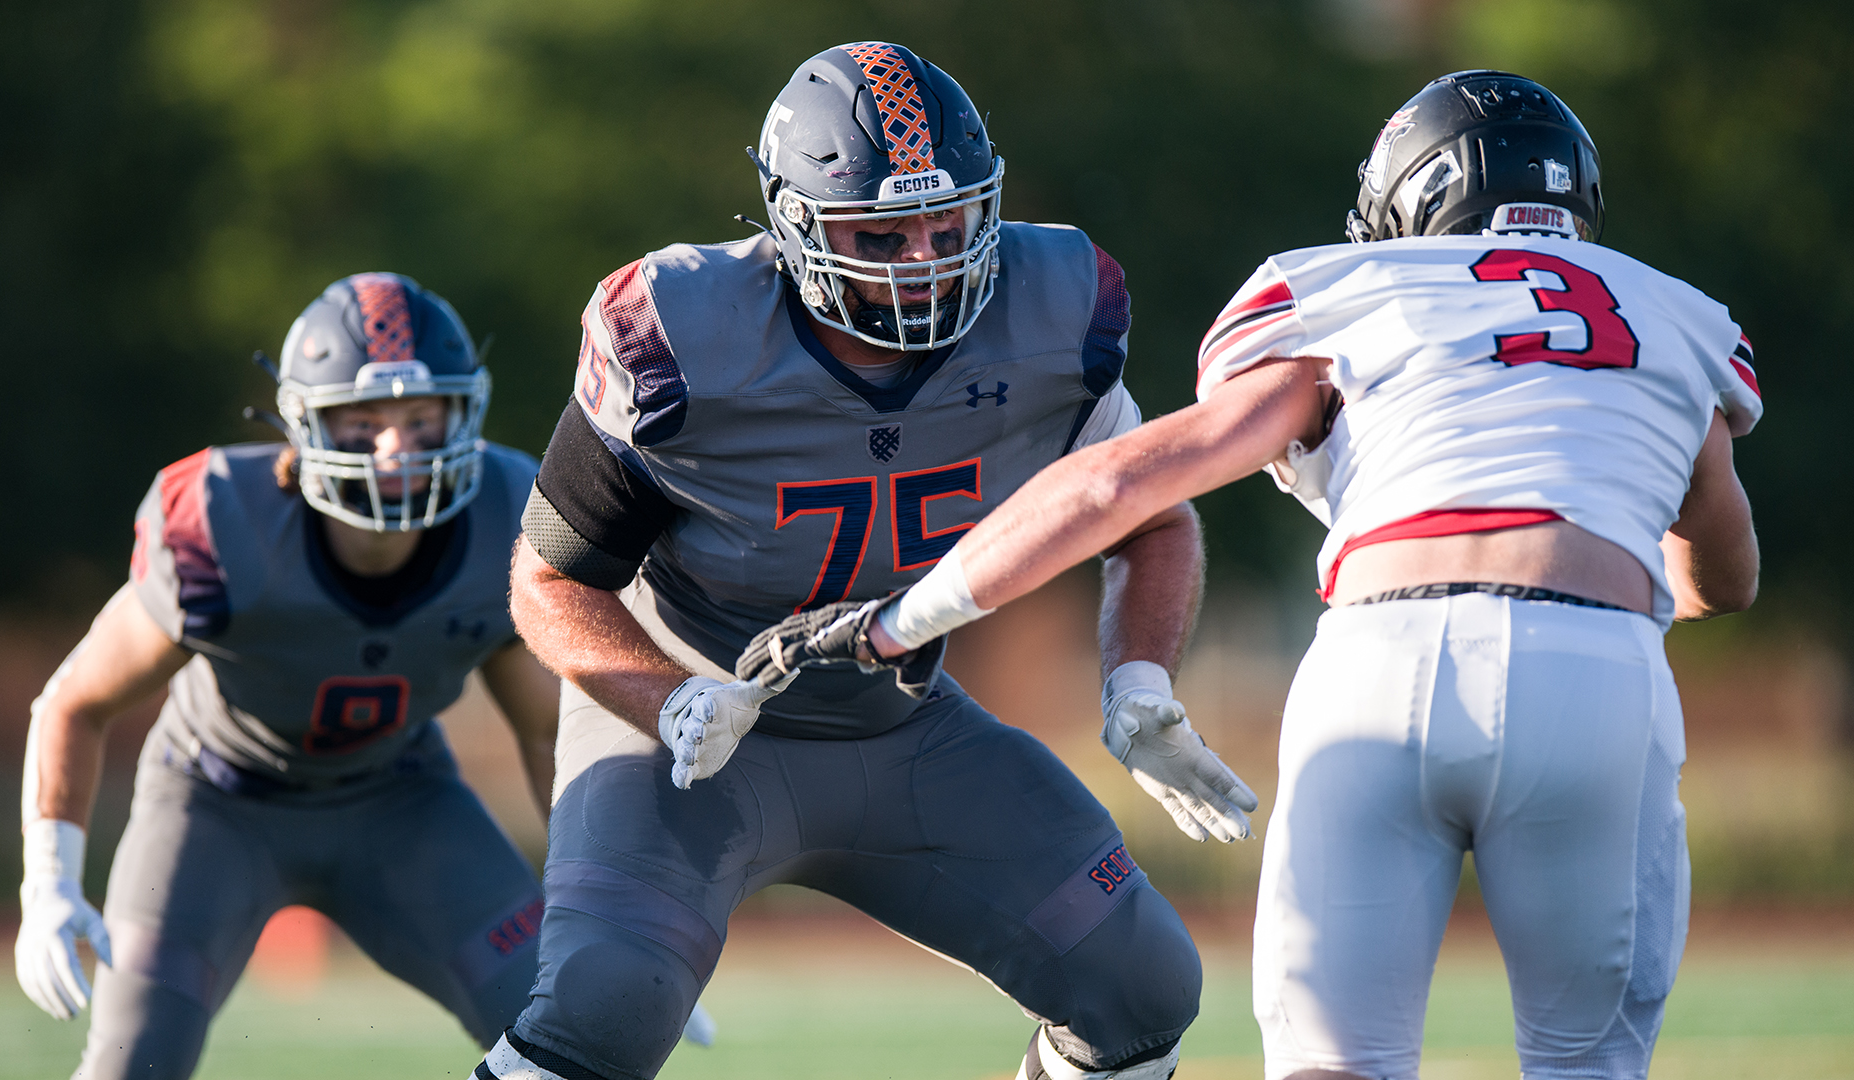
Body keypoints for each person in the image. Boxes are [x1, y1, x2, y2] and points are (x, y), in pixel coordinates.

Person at [749, 70, 1761, 1080]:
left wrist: (897, 620)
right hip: (1595, 667)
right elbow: (1725, 577)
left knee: (1331, 1063)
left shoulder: (1346, 291)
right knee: (1588, 1064)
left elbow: (1116, 485)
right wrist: (1583, 581)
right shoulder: (1678, 317)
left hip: (1383, 662)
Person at [473, 41, 1257, 1080]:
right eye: (881, 233)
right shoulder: (684, 335)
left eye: (950, 224)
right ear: (795, 224)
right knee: (605, 1002)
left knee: (1142, 984)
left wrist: (1139, 679)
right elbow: (550, 578)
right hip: (691, 735)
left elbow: (1152, 518)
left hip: (902, 730)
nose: (926, 258)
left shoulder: (1051, 312)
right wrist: (666, 700)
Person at [15, 272, 713, 1079]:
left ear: (463, 414)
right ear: (303, 423)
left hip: (401, 805)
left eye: (422, 419)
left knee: (579, 1030)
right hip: (215, 803)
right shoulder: (223, 523)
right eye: (364, 420)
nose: (397, 448)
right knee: (130, 1063)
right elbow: (72, 703)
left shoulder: (506, 515)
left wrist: (614, 921)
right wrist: (49, 883)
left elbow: (549, 732)